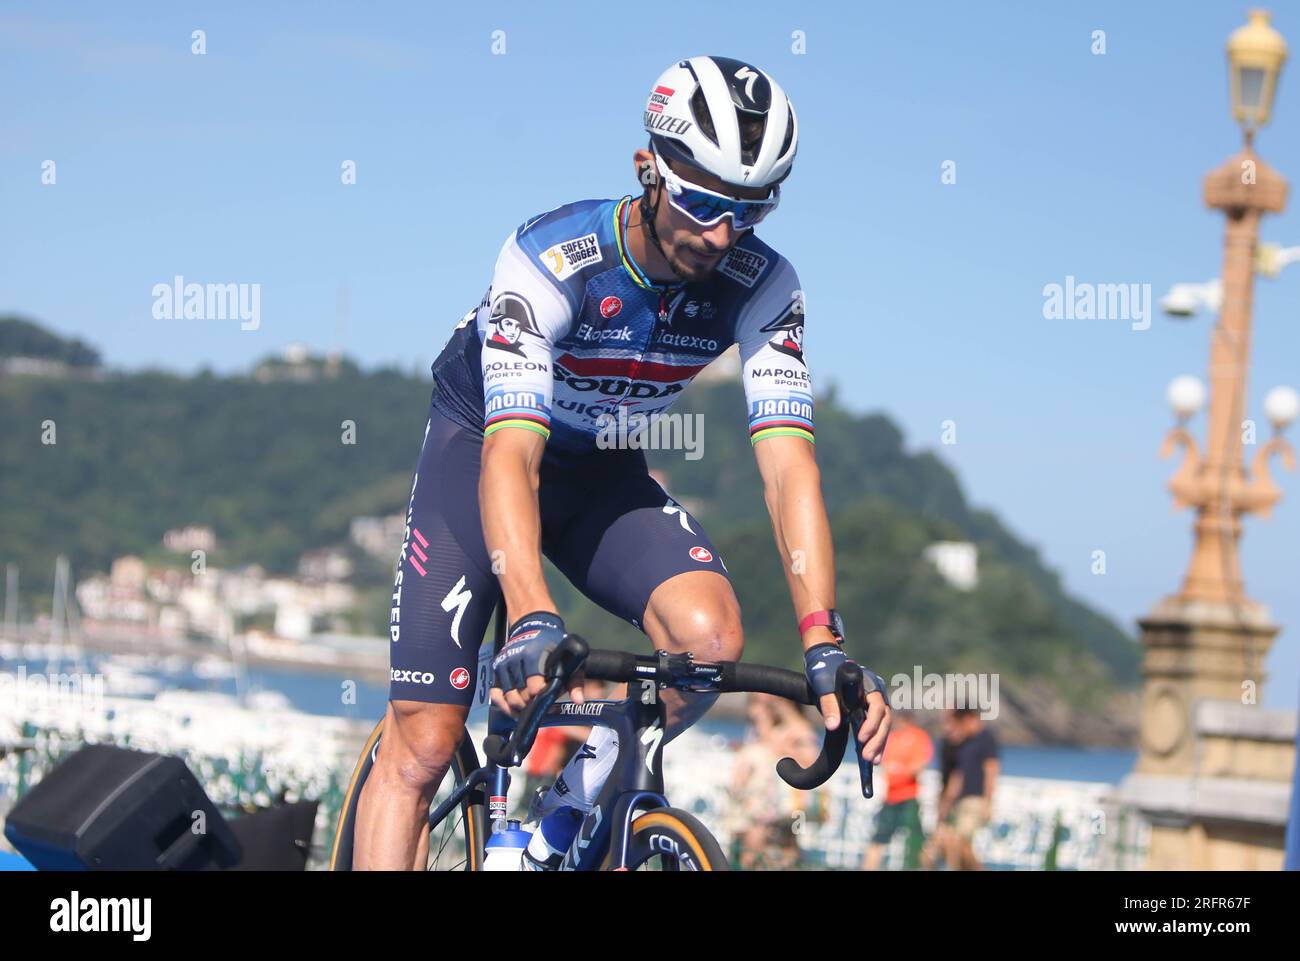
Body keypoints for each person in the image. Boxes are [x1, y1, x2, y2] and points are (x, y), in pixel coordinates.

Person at [352, 55, 890, 870]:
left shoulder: (765, 284)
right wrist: (531, 614)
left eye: (748, 212)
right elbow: (512, 454)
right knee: (424, 743)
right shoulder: (551, 258)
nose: (720, 235)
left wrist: (824, 638)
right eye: (704, 202)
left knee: (707, 641)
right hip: (485, 450)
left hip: (599, 465)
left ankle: (559, 821)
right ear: (648, 169)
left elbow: (789, 469)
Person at [728, 693, 820, 870]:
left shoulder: (796, 729)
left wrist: (768, 715)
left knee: (777, 845)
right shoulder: (785, 728)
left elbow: (779, 748)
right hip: (776, 800)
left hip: (783, 799)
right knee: (778, 845)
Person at [862, 710, 932, 870]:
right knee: (879, 837)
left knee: (917, 839)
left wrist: (899, 770)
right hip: (891, 797)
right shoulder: (893, 738)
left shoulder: (918, 737)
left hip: (908, 797)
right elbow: (885, 765)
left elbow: (918, 767)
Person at [938, 708, 999, 870]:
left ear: (969, 718)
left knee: (959, 841)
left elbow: (991, 769)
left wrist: (988, 800)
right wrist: (947, 801)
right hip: (960, 800)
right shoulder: (965, 742)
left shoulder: (985, 738)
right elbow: (958, 775)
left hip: (976, 799)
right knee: (952, 844)